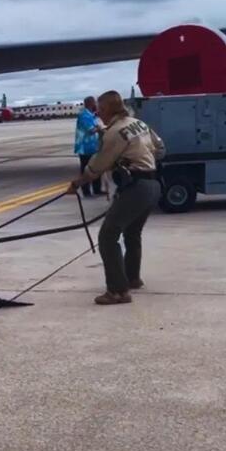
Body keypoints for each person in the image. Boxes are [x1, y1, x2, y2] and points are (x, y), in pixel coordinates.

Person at [69, 90, 165, 305]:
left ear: (111, 109)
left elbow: (96, 166)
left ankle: (118, 291)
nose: (99, 113)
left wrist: (77, 184)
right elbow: (161, 149)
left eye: (101, 109)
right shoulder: (137, 123)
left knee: (107, 236)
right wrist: (140, 160)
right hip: (152, 185)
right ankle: (132, 278)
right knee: (132, 233)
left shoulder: (114, 132)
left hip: (136, 188)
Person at [74, 96, 103, 197]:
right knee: (86, 169)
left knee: (96, 167)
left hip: (93, 146)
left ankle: (97, 189)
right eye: (95, 103)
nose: (97, 105)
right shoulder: (84, 115)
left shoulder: (91, 115)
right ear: (91, 104)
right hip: (85, 147)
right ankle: (86, 191)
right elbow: (91, 130)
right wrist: (100, 128)